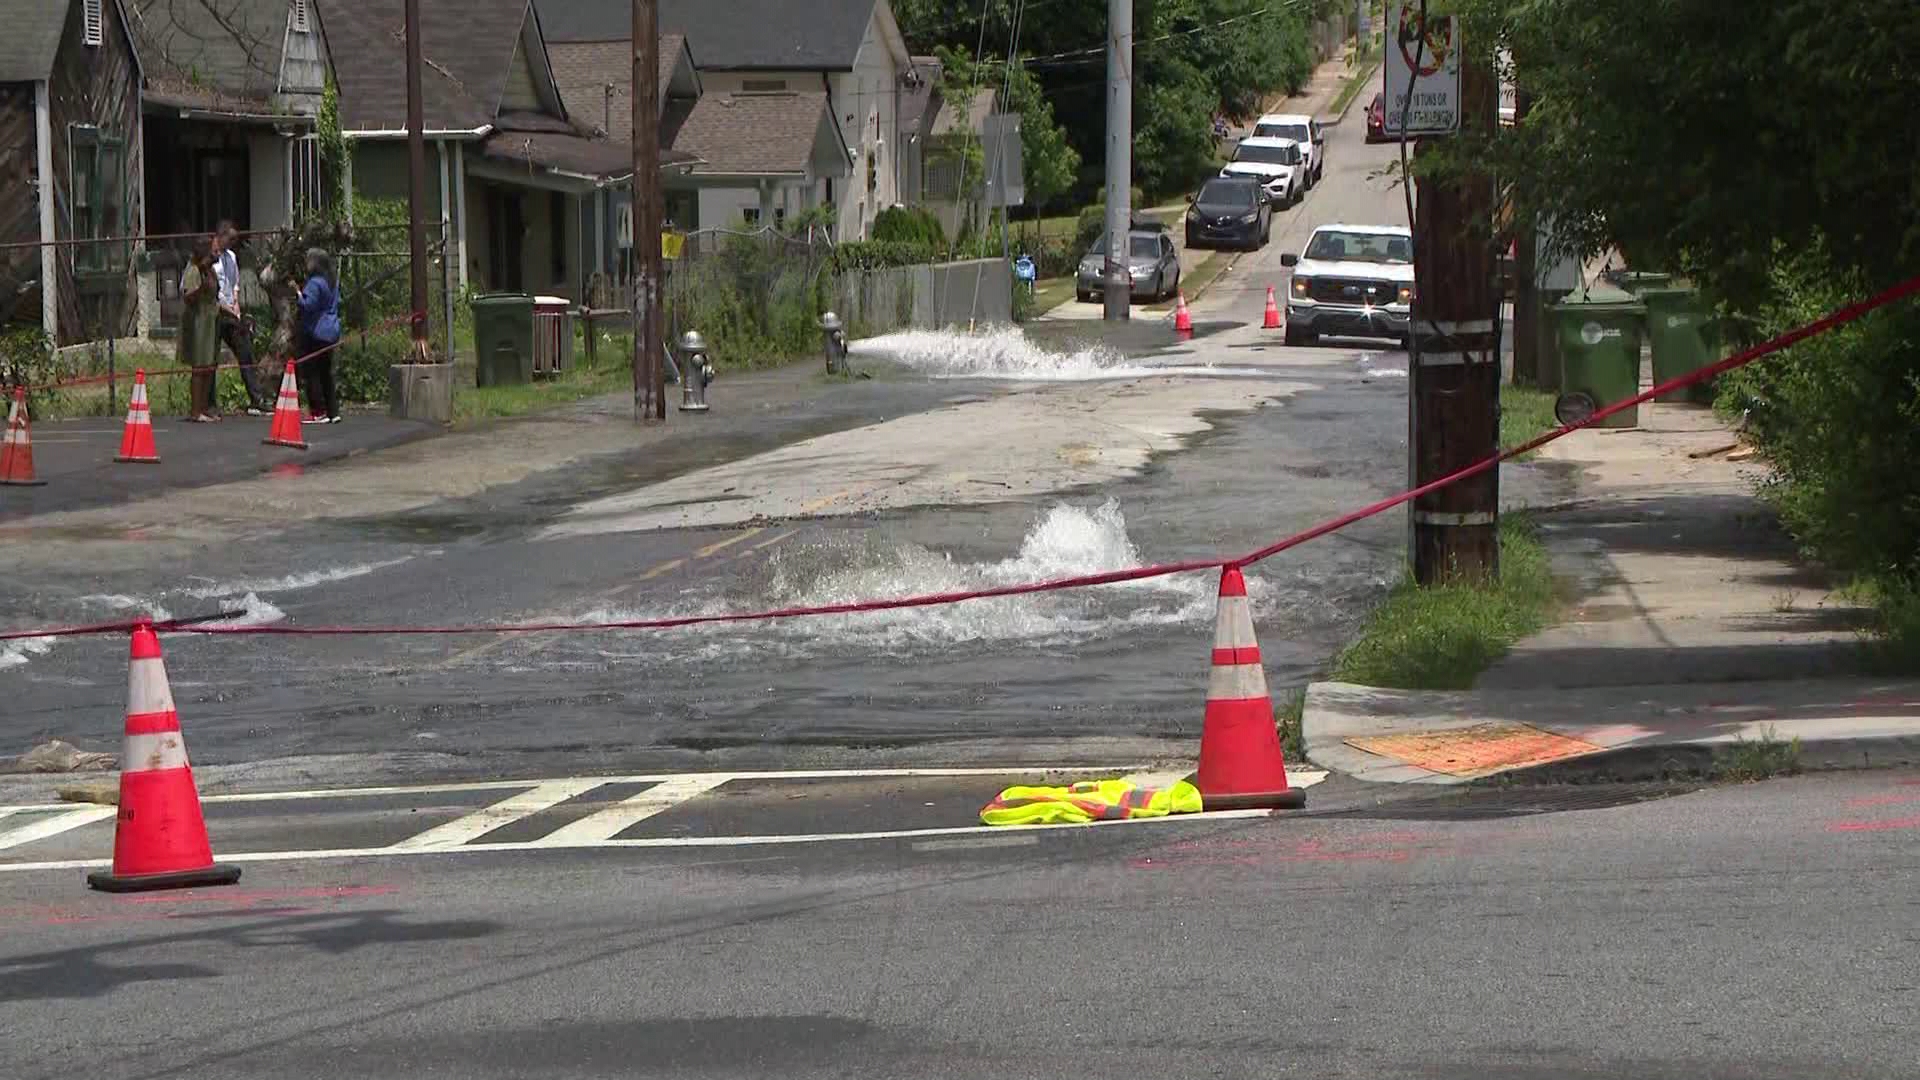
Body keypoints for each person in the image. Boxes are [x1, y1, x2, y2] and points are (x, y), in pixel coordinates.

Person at [212, 222, 270, 416]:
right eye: (231, 239)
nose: (233, 243)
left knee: (244, 351)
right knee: (211, 358)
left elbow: (234, 283)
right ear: (220, 236)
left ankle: (257, 398)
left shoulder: (231, 257)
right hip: (217, 311)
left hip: (231, 311)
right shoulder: (211, 259)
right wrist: (226, 307)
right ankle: (209, 402)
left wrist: (236, 303)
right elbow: (213, 289)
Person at [295, 248, 343, 424]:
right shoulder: (332, 281)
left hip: (316, 331)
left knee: (312, 372)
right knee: (326, 372)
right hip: (331, 330)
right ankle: (332, 410)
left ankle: (318, 410)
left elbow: (308, 305)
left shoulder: (315, 283)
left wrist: (298, 294)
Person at [180, 236, 221, 423]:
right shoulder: (194, 270)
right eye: (212, 250)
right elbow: (188, 296)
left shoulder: (209, 270)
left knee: (207, 366)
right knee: (198, 366)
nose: (216, 253)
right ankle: (196, 410)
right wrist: (201, 289)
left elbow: (215, 294)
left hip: (210, 319)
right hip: (198, 321)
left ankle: (204, 408)